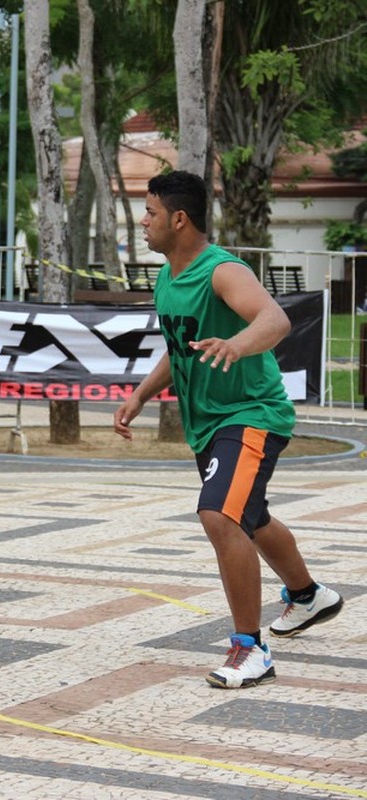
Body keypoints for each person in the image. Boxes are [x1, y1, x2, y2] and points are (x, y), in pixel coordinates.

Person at [114, 170, 344, 689]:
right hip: (210, 423)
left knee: (219, 515)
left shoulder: (221, 270)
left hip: (251, 413)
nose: (143, 223)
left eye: (149, 213)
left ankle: (249, 647)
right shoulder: (168, 276)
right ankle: (308, 596)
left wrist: (239, 344)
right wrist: (140, 395)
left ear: (179, 218)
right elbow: (181, 348)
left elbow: (276, 321)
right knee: (251, 516)